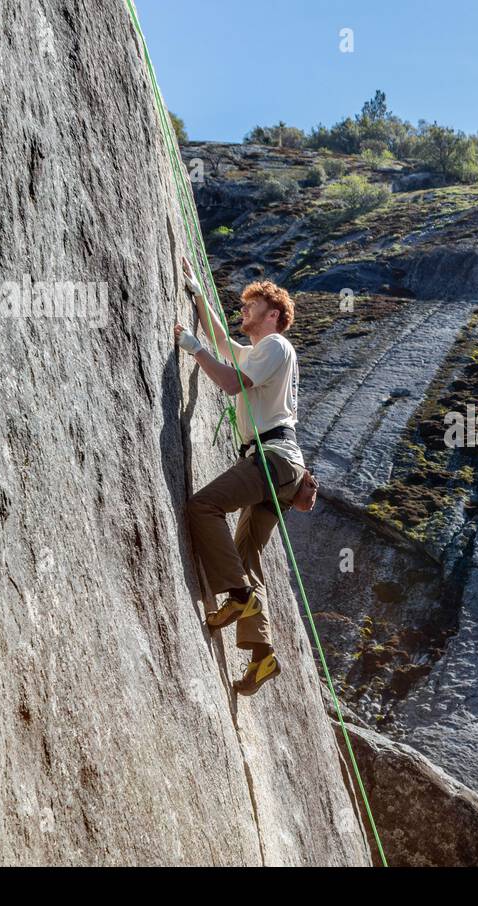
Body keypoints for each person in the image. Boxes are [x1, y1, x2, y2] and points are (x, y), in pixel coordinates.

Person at [176, 256, 306, 696]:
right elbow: (223, 341)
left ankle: (236, 595)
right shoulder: (260, 353)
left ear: (274, 315)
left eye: (252, 306)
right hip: (283, 466)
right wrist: (196, 291)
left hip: (271, 459)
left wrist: (194, 350)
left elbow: (231, 383)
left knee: (203, 506)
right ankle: (262, 656)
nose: (243, 312)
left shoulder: (275, 346)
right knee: (247, 555)